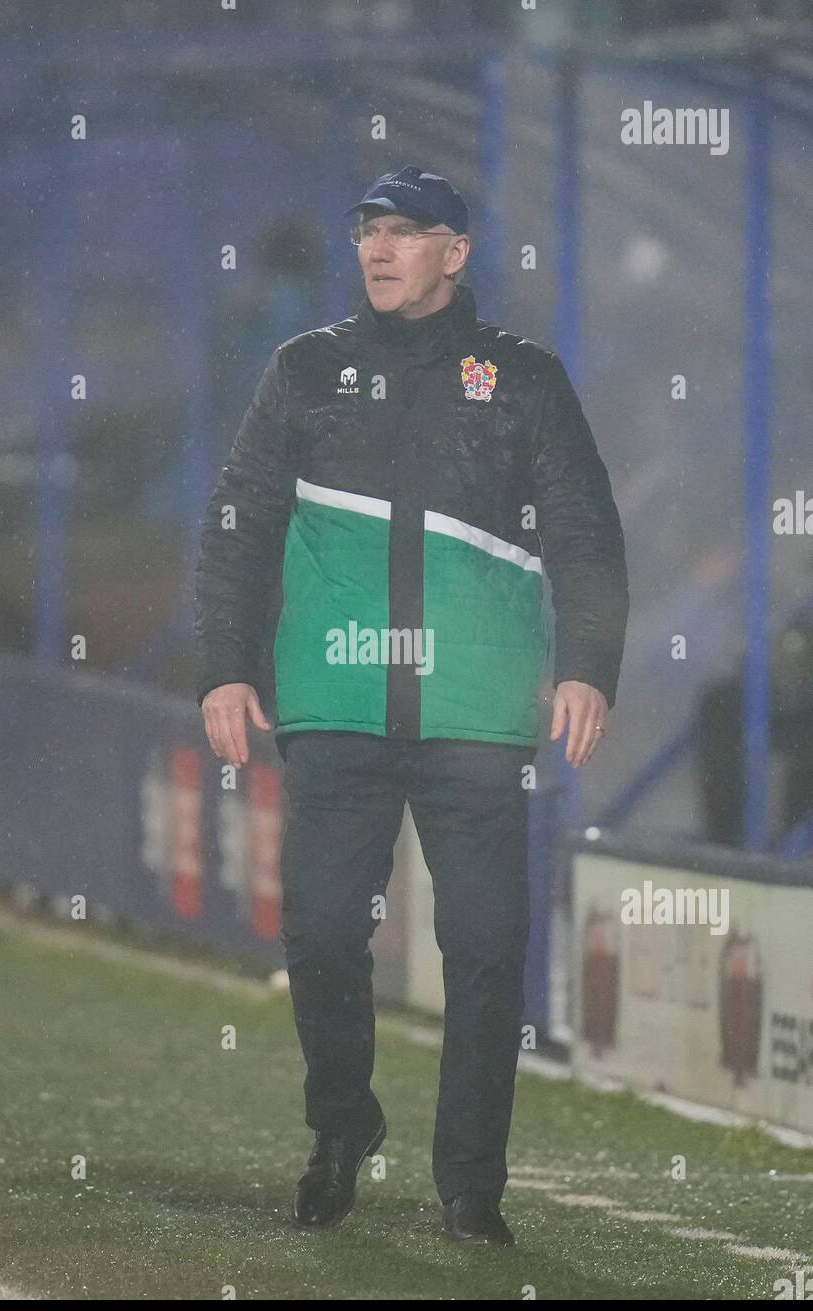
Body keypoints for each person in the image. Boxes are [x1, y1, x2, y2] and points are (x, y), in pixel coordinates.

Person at [195, 166, 629, 1246]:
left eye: (403, 231)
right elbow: (240, 527)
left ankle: (470, 1187)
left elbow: (583, 530)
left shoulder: (521, 379)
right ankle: (341, 1124)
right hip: (335, 709)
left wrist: (587, 664)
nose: (378, 249)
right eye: (366, 232)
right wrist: (223, 665)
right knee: (324, 929)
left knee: (485, 950)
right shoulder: (305, 371)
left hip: (475, 721)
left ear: (455, 250)